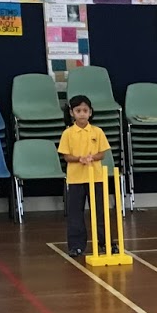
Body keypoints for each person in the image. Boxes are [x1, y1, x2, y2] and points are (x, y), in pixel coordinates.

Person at [58, 95, 111, 257]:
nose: (82, 114)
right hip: (75, 179)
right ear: (72, 113)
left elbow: (102, 154)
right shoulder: (68, 133)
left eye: (85, 110)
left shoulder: (97, 131)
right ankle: (76, 246)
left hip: (95, 177)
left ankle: (105, 243)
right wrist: (79, 159)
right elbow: (66, 156)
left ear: (90, 112)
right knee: (75, 213)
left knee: (100, 212)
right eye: (78, 110)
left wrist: (91, 157)